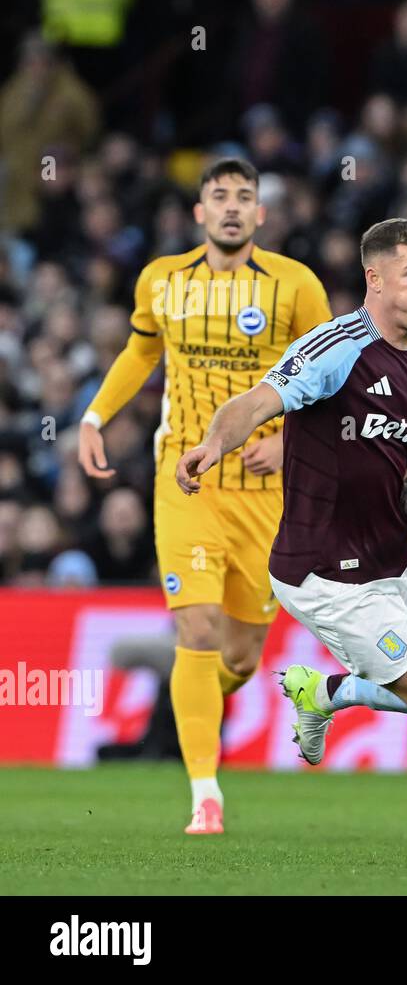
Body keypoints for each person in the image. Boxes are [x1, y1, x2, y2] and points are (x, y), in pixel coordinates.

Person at [176, 218, 407, 864]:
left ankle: (327, 694)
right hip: (325, 572)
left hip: (396, 557)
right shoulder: (336, 347)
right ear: (376, 278)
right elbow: (255, 402)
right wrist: (213, 444)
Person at [77, 157, 331, 835]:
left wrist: (288, 445)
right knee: (195, 629)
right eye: (218, 196)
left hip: (267, 491)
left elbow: (331, 379)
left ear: (261, 215)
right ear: (198, 212)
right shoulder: (162, 280)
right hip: (186, 479)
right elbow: (139, 354)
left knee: (241, 657)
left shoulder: (296, 286)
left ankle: (187, 706)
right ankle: (204, 792)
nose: (231, 208)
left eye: (244, 198)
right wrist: (95, 417)